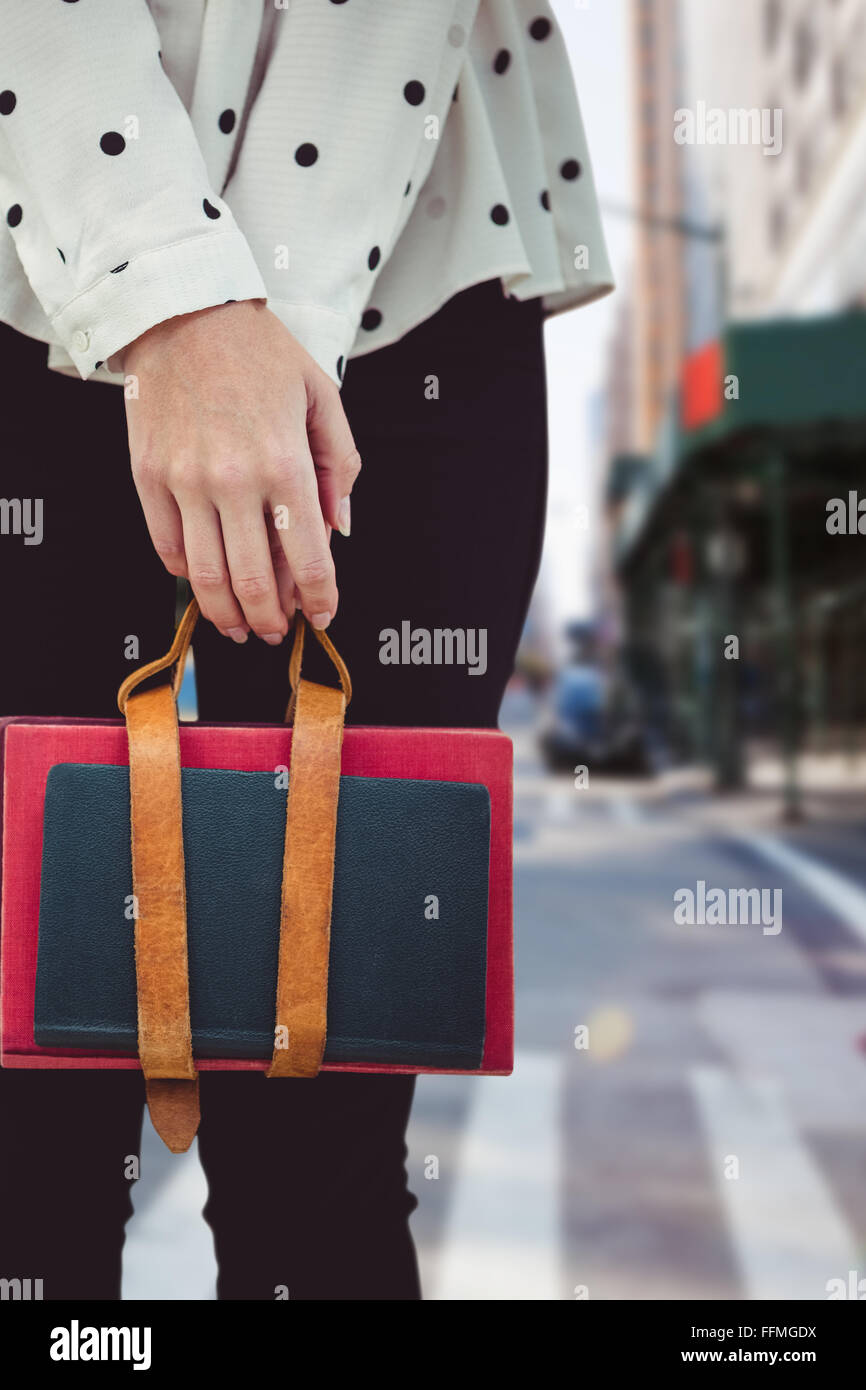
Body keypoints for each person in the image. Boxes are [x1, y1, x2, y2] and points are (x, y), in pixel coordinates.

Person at [0, 0, 612, 1300]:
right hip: (30, 240)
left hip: (424, 269)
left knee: (327, 1137)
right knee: (24, 1139)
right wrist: (171, 298)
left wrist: (240, 313)